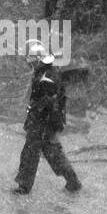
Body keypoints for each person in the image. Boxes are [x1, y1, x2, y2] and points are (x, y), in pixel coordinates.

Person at [14, 40, 81, 195]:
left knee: (31, 152)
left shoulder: (47, 78)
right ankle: (72, 181)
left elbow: (50, 103)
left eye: (30, 62)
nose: (28, 65)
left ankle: (24, 187)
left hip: (43, 122)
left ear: (37, 60)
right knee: (51, 153)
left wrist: (38, 119)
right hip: (45, 122)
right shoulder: (47, 73)